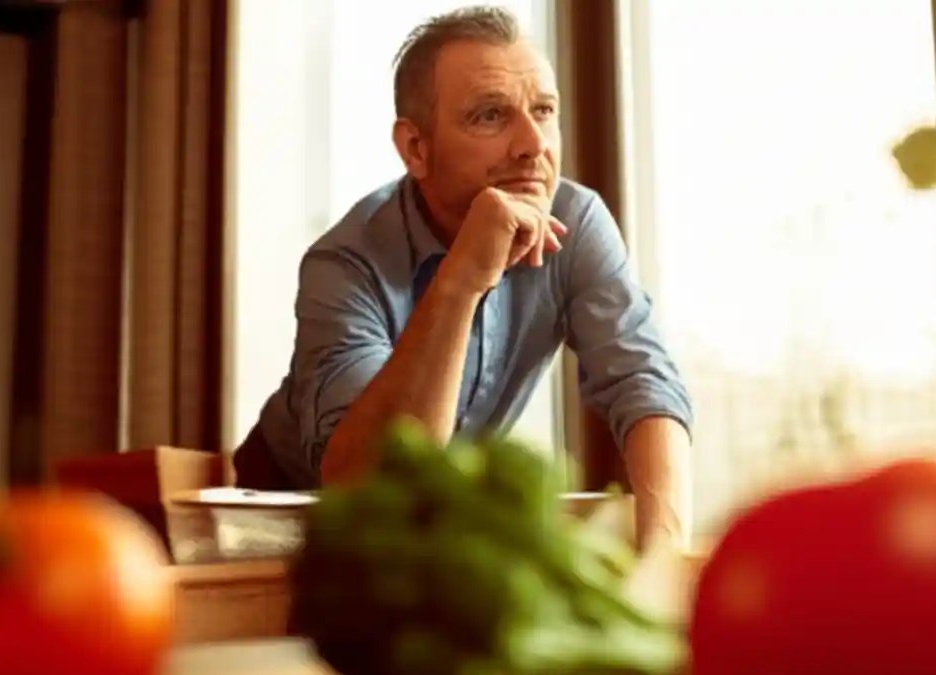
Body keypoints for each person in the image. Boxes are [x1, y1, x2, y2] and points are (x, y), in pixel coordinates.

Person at [234, 5, 693, 550]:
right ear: (416, 149)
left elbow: (643, 384)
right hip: (293, 518)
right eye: (490, 116)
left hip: (434, 520)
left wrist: (666, 557)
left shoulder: (576, 220)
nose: (533, 144)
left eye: (544, 111)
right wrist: (461, 280)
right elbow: (373, 482)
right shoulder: (344, 264)